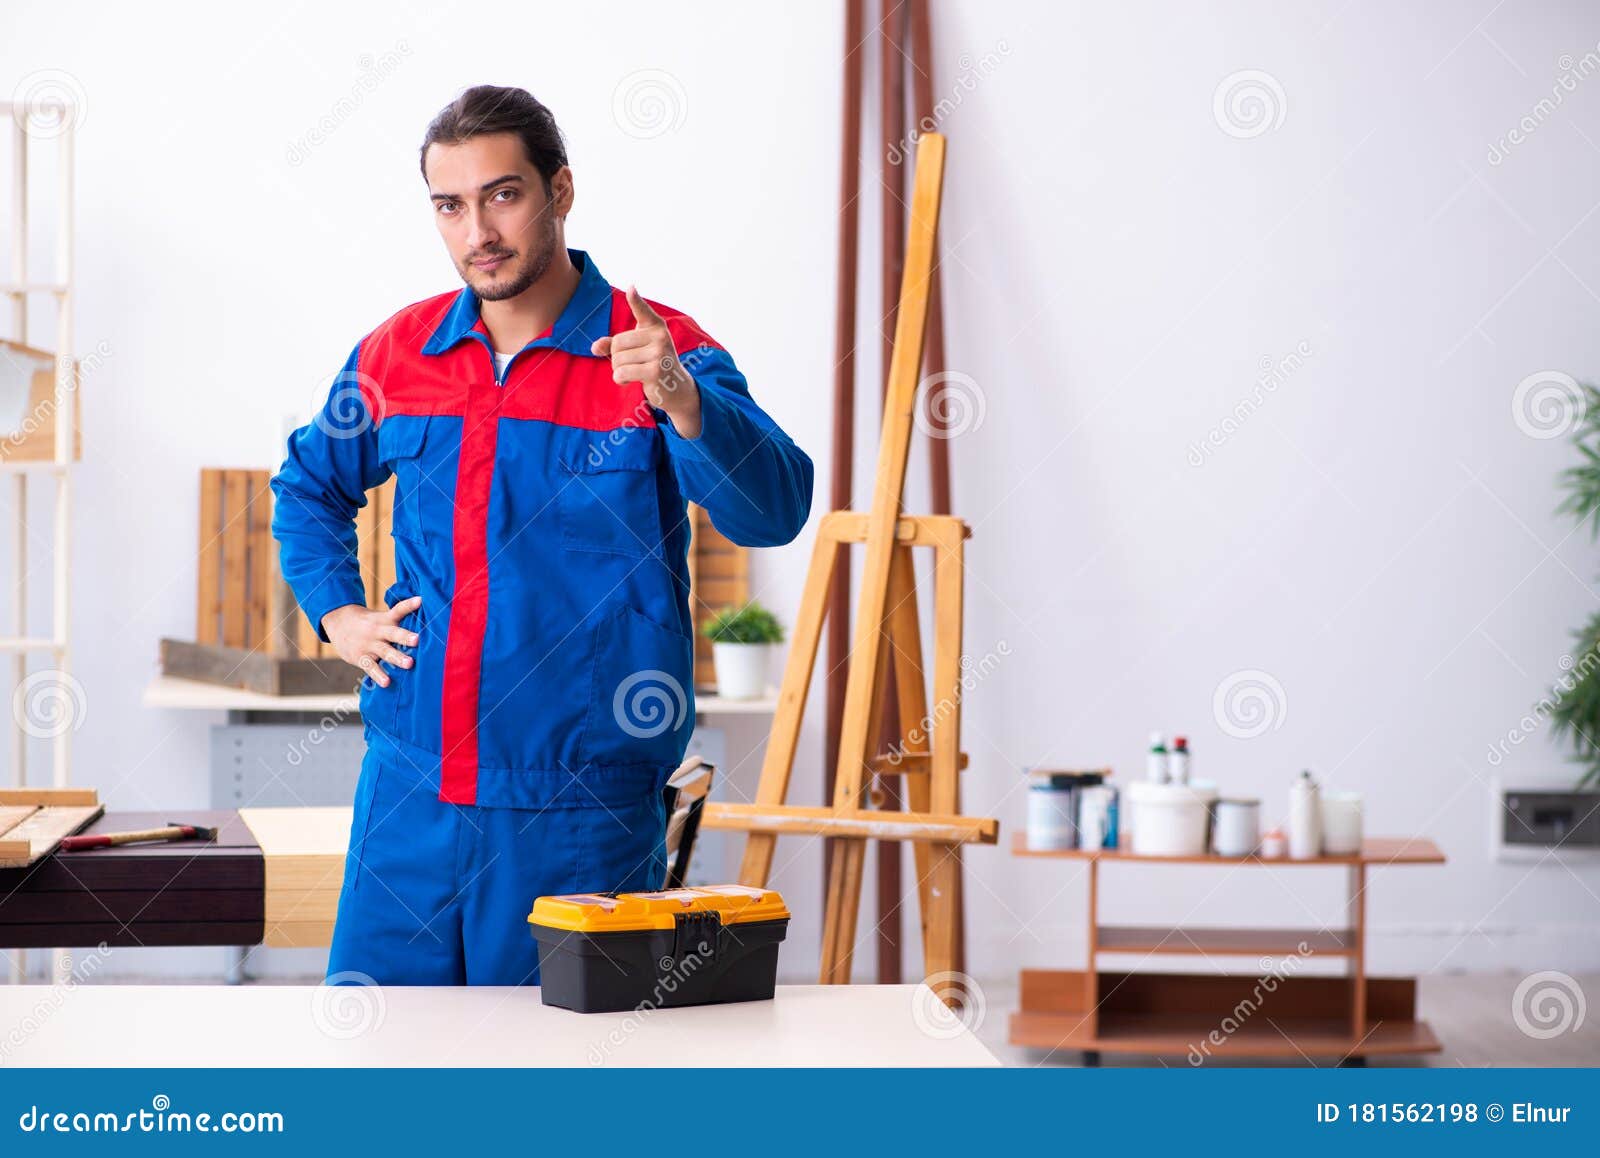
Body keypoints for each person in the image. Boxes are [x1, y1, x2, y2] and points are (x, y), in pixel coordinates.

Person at [270, 85, 813, 985]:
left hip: (580, 810)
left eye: (504, 194)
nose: (478, 229)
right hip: (412, 791)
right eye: (452, 205)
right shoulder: (396, 355)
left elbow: (774, 509)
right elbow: (305, 488)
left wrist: (680, 397)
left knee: (551, 1100)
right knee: (379, 1081)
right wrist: (337, 613)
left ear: (560, 190)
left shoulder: (659, 348)